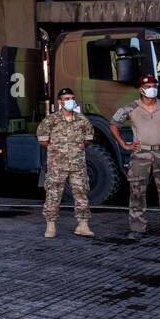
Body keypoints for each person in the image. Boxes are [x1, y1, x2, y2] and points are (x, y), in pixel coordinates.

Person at [109, 74, 160, 240]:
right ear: (141, 90)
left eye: (154, 86)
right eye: (147, 87)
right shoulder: (131, 107)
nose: (151, 89)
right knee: (137, 191)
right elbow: (113, 124)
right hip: (140, 154)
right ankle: (137, 228)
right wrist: (124, 144)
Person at [36, 87, 94, 239]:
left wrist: (74, 150)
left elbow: (88, 139)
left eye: (72, 98)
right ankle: (50, 226)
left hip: (78, 165)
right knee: (53, 194)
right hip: (57, 165)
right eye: (66, 99)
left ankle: (83, 225)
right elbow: (43, 140)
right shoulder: (51, 120)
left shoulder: (82, 120)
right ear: (60, 102)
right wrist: (58, 150)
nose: (70, 101)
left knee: (81, 193)